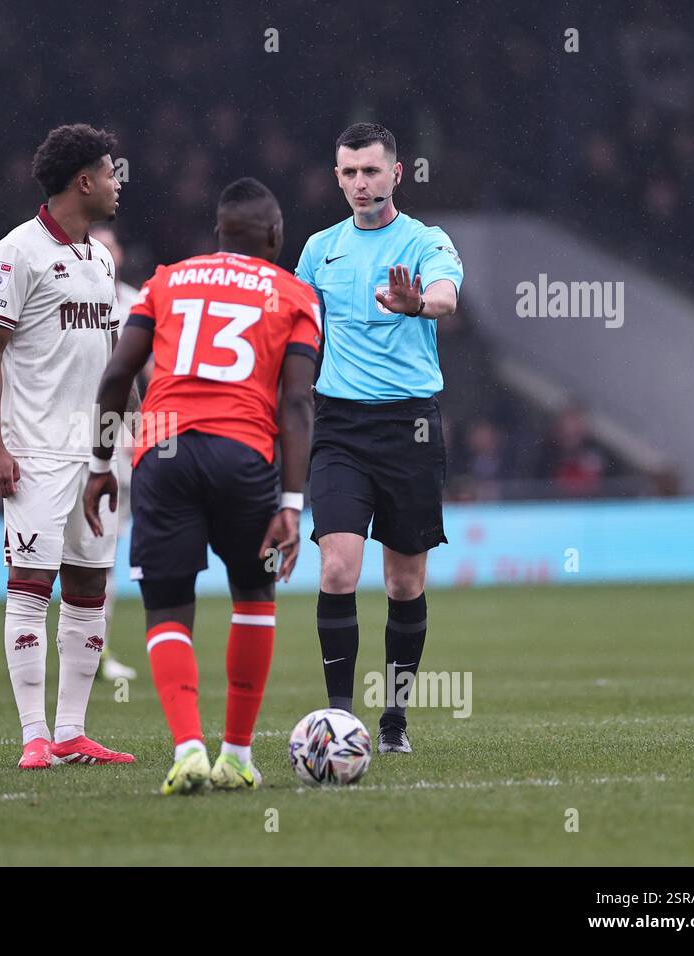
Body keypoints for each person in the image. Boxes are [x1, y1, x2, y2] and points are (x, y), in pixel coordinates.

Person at [84, 177, 320, 794]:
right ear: (275, 236)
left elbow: (116, 376)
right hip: (243, 453)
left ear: (218, 233)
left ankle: (187, 749)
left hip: (161, 450)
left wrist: (102, 463)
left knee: (167, 608)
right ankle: (236, 756)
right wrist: (292, 505)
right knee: (253, 596)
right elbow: (296, 406)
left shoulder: (167, 281)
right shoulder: (294, 294)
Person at [295, 123, 463, 754]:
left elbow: (446, 297)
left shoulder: (426, 241)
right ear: (336, 177)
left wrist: (416, 304)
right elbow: (300, 329)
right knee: (338, 568)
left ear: (398, 174)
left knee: (402, 584)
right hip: (339, 424)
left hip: (410, 425)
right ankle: (341, 721)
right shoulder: (318, 249)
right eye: (347, 172)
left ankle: (394, 721)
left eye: (370, 171)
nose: (359, 183)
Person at [0, 124, 135, 769]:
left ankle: (71, 731)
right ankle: (33, 737)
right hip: (35, 452)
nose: (118, 184)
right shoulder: (15, 254)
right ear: (84, 181)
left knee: (91, 586)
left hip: (97, 455)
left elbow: (107, 362)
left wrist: (119, 440)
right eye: (110, 172)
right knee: (31, 587)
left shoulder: (101, 260)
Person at [84, 224, 140, 684]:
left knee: (105, 549)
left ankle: (95, 651)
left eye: (112, 243)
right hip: (70, 436)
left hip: (120, 441)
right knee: (79, 552)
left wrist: (146, 434)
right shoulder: (67, 294)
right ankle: (78, 648)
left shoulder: (136, 302)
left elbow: (154, 377)